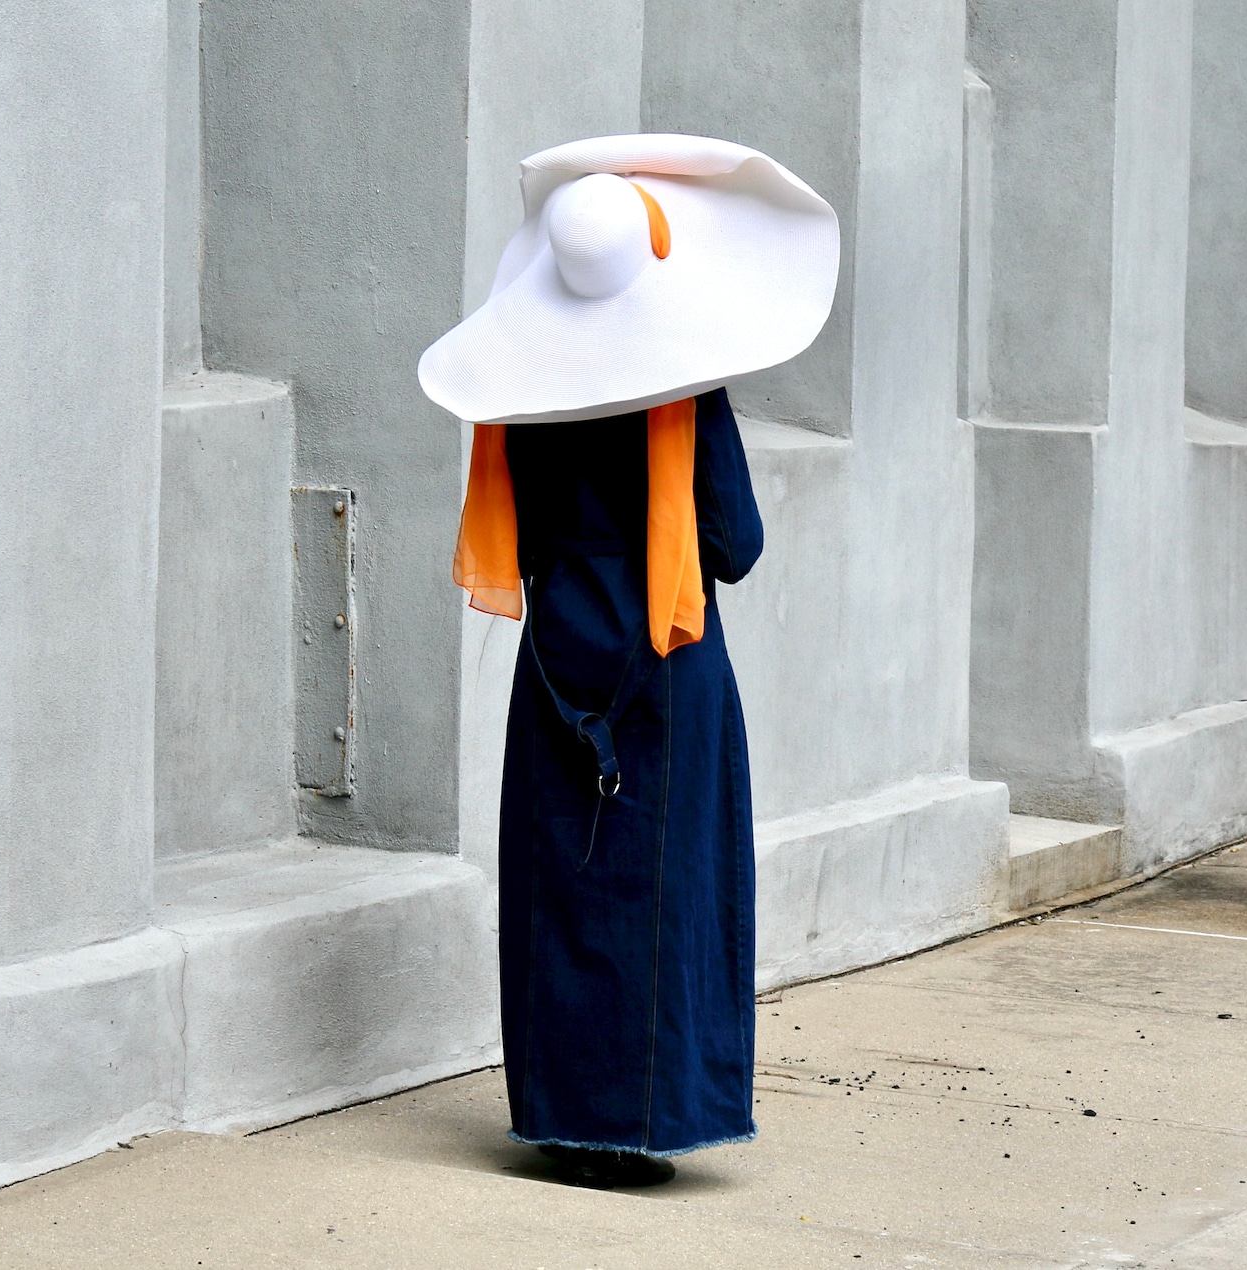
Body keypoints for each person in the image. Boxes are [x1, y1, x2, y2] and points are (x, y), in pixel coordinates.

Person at [417, 134, 839, 1188]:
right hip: (667, 652)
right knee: (669, 882)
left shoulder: (515, 388)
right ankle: (651, 1121)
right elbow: (732, 547)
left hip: (558, 656)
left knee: (563, 878)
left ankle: (564, 1118)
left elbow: (512, 533)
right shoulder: (680, 387)